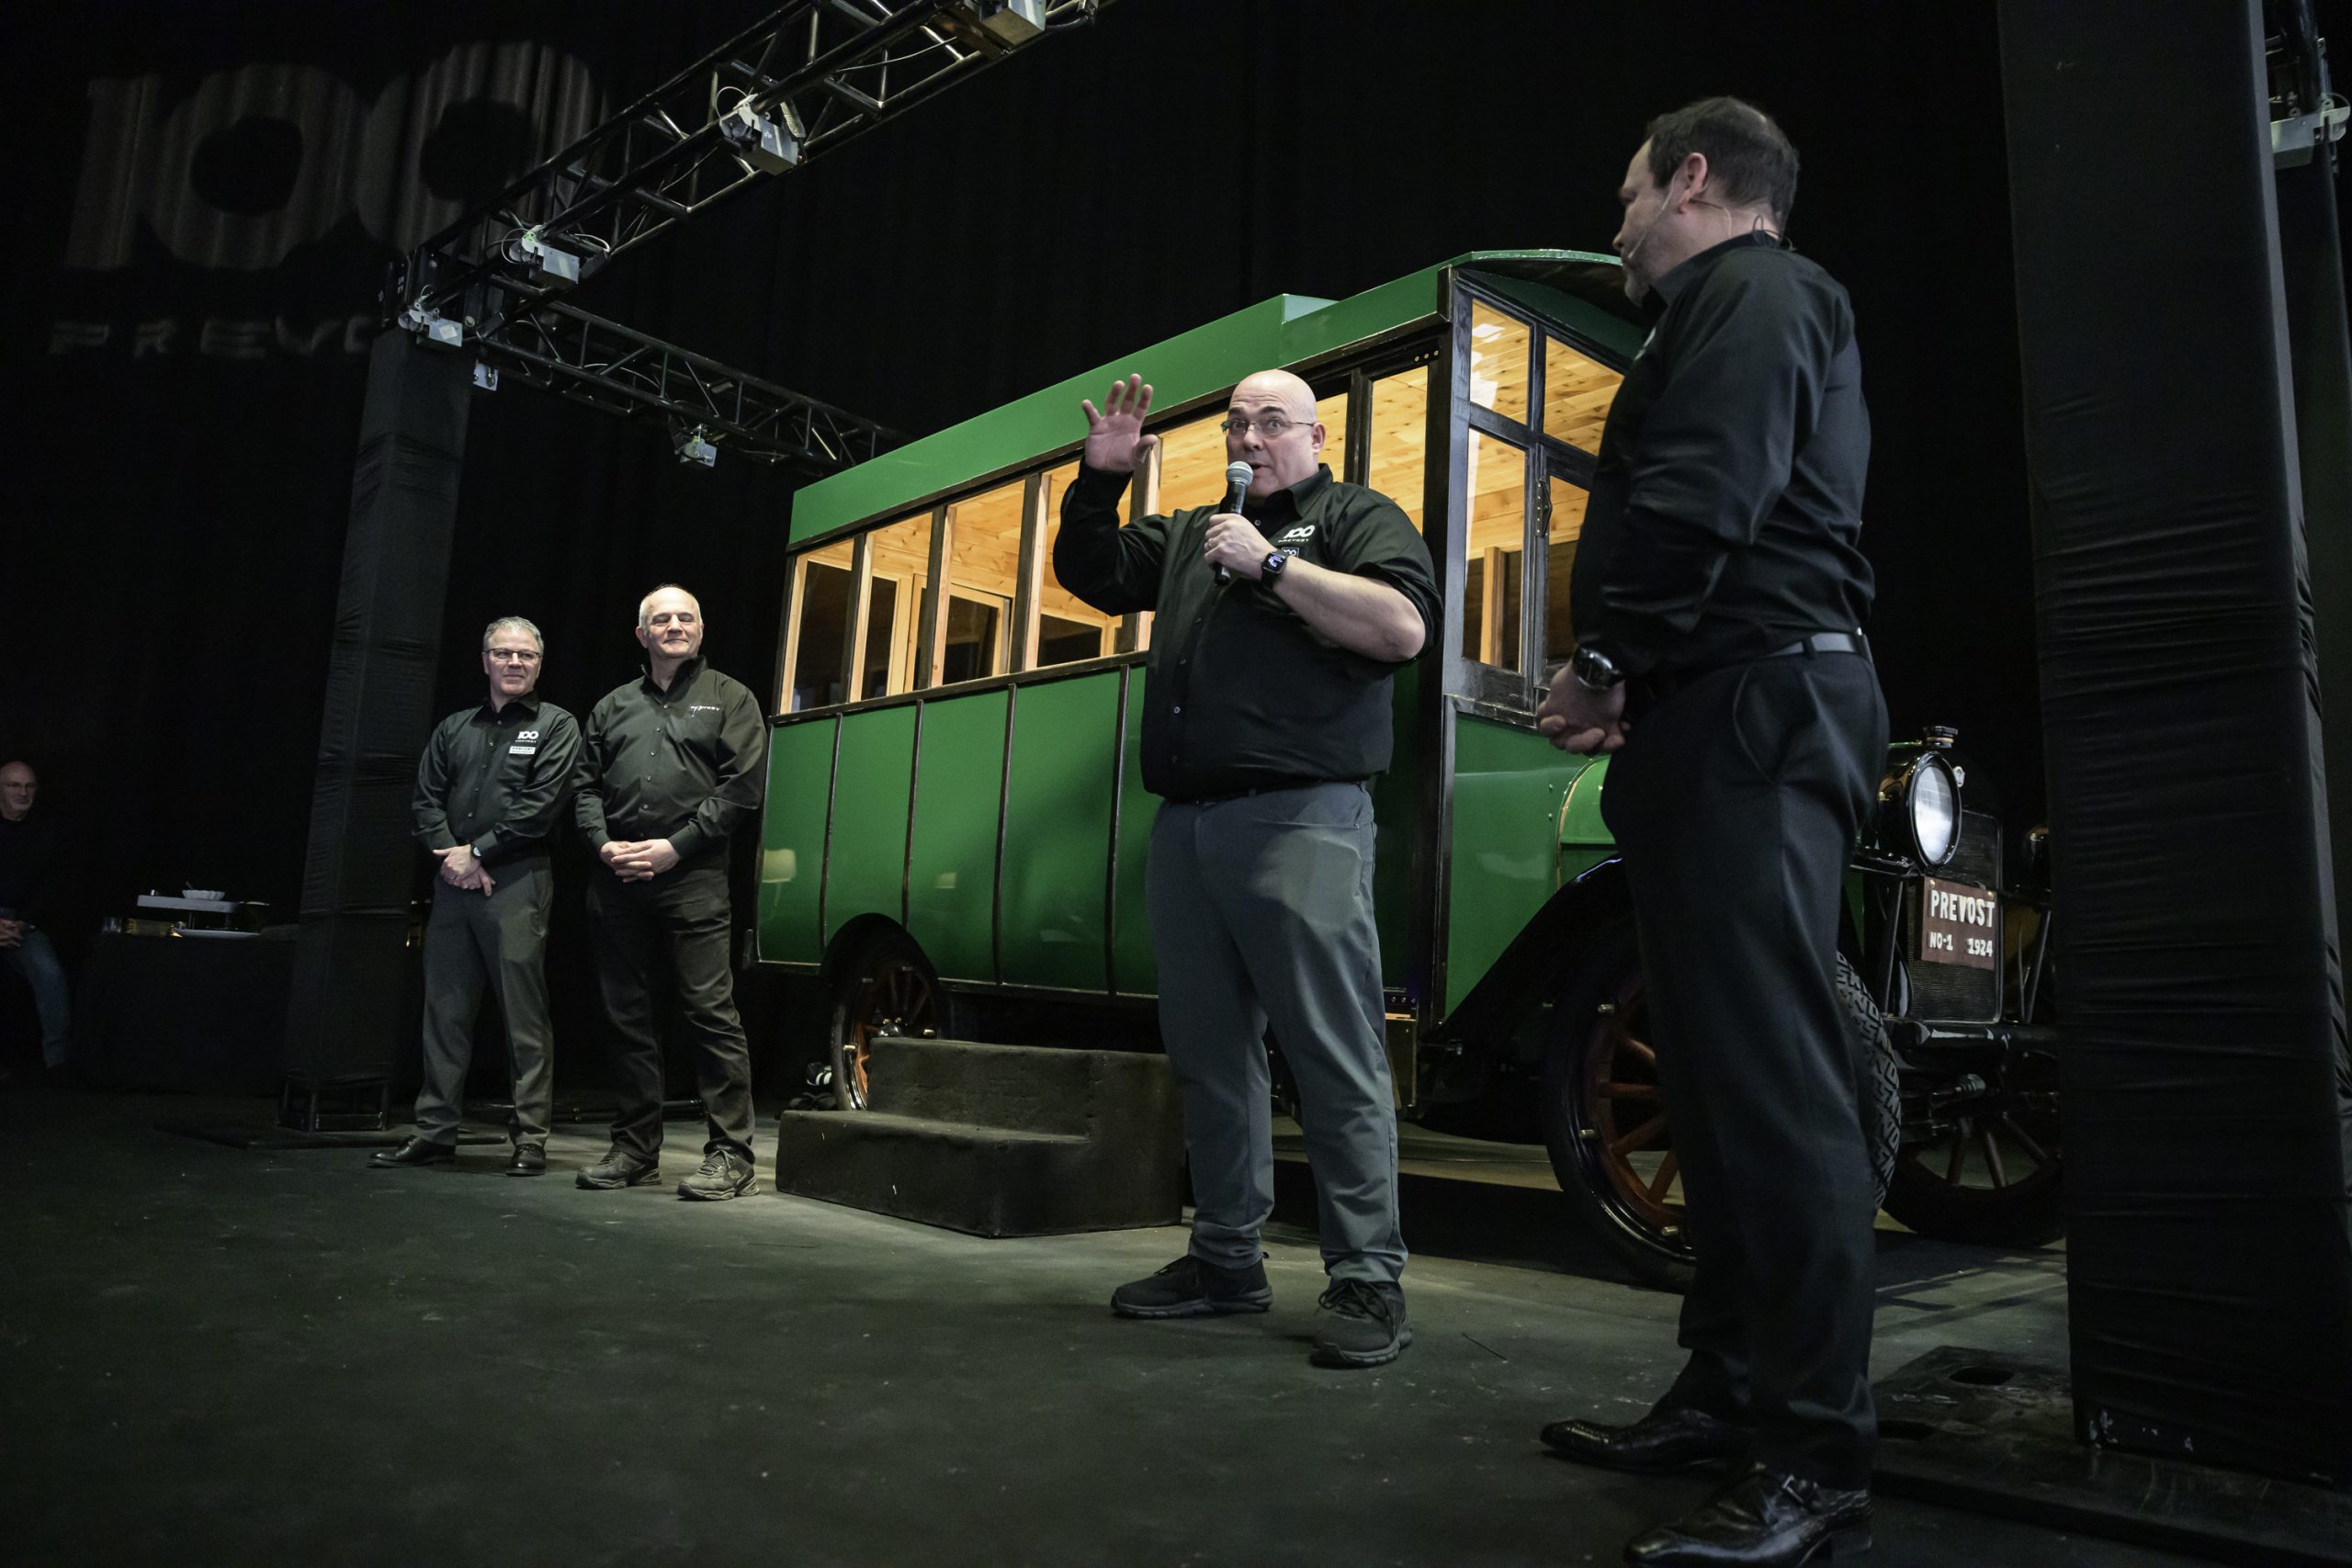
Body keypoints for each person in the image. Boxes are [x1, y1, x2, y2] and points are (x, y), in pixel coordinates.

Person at [1533, 98, 1887, 1566]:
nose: (1617, 221)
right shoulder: (1736, 306)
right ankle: (1731, 1391)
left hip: (1752, 708)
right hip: (1718, 712)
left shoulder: (1756, 290)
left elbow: (1706, 489)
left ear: (1694, 178)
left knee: (1776, 1089)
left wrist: (1611, 655)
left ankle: (1811, 1454)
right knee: (1720, 1090)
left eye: (1628, 193)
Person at [1055, 367, 1438, 1369]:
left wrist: (1272, 567)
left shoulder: (1355, 516)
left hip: (1302, 816)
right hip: (1188, 828)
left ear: (1316, 435)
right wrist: (1098, 485)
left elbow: (1401, 630)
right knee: (1211, 1057)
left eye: (1272, 420)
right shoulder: (1191, 532)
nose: (1250, 436)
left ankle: (1365, 1278)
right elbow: (1092, 573)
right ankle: (1226, 1258)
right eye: (1235, 421)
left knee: (1332, 1056)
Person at [572, 584, 768, 1201]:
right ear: (642, 634)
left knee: (710, 1012)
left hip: (693, 875)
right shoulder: (611, 706)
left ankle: (731, 1154)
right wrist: (604, 845)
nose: (675, 625)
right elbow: (582, 787)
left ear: (701, 629)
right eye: (662, 618)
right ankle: (634, 1149)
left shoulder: (730, 697)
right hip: (618, 876)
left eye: (686, 616)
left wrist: (674, 847)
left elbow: (742, 789)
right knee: (627, 1015)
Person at [372, 617, 581, 1177]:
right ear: (484, 660)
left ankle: (530, 1138)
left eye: (527, 656)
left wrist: (480, 854)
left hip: (517, 883)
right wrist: (454, 857)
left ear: (540, 663)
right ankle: (435, 1131)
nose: (516, 663)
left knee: (523, 1016)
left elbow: (541, 806)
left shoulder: (557, 725)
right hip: (454, 884)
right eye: (504, 654)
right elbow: (424, 801)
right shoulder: (454, 728)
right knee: (444, 1011)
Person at [0, 761, 71, 1084]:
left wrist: (23, 924)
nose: (22, 792)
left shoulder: (45, 834)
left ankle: (58, 1063)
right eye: (14, 785)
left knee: (49, 973)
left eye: (28, 786)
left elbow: (52, 888)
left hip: (22, 923)